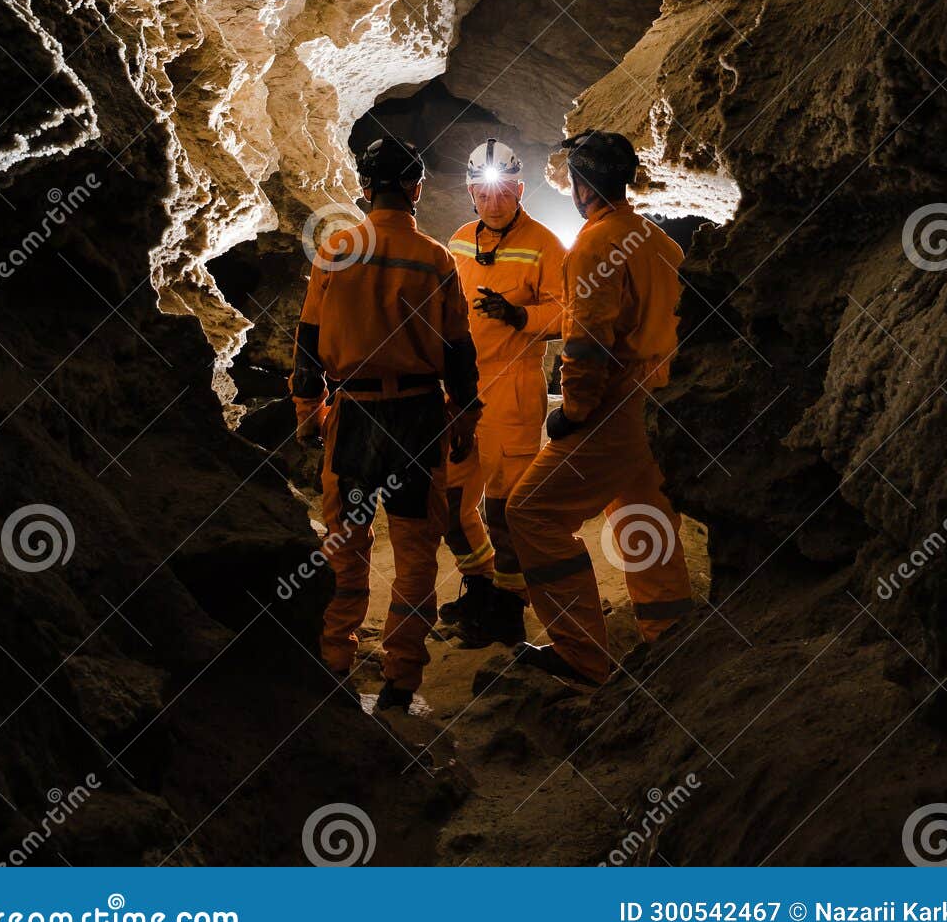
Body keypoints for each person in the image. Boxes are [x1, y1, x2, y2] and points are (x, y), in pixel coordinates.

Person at [289, 135, 481, 713]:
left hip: (353, 417)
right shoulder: (436, 258)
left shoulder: (335, 250)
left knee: (345, 545)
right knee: (416, 549)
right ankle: (401, 680)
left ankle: (334, 663)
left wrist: (308, 412)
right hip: (418, 416)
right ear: (415, 188)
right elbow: (458, 350)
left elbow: (309, 346)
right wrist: (466, 417)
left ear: (365, 186)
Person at [507, 129, 694, 686]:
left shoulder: (594, 243)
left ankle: (581, 655)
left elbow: (587, 340)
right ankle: (674, 650)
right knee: (647, 521)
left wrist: (576, 411)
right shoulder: (660, 242)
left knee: (531, 512)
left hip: (618, 404)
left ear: (581, 185)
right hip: (661, 402)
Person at [439, 139, 565, 647]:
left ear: (519, 188)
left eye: (504, 191)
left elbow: (570, 312)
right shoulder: (458, 241)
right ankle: (483, 584)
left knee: (509, 511)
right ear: (472, 193)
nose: (494, 202)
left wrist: (521, 317)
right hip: (463, 394)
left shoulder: (545, 244)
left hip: (513, 392)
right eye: (483, 193)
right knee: (449, 502)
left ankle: (511, 604)